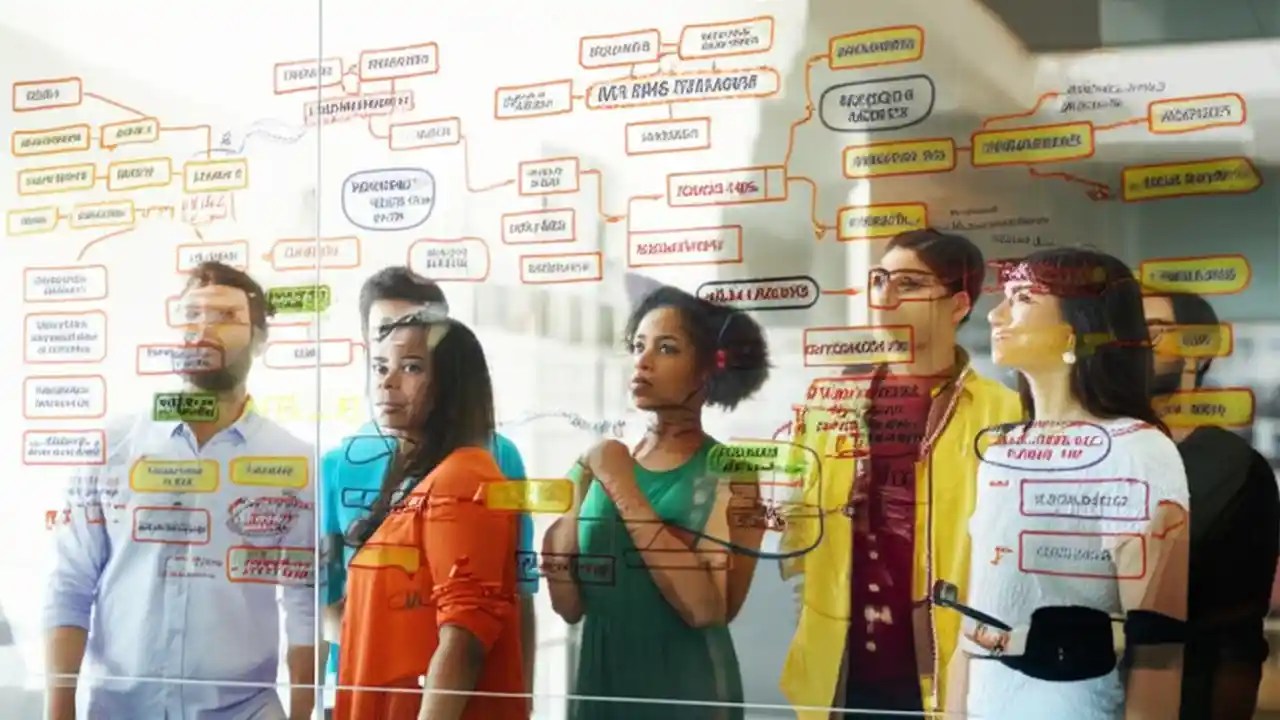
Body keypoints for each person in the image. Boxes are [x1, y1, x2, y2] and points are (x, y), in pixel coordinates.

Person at [44, 261, 317, 719]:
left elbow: (303, 602)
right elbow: (71, 584)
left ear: (260, 340)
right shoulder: (113, 448)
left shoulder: (295, 463)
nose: (204, 328)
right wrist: (58, 711)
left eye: (226, 316)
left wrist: (304, 714)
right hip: (119, 710)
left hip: (244, 711)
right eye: (191, 315)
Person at [779, 228, 1023, 719]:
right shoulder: (829, 402)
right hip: (840, 674)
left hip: (953, 676)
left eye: (908, 284)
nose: (885, 298)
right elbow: (796, 533)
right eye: (879, 280)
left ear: (958, 305)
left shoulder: (1006, 415)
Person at [952, 248, 1190, 719]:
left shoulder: (1137, 452)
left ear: (1074, 327)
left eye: (1021, 298)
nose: (996, 315)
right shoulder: (1001, 454)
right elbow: (978, 610)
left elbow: (1158, 647)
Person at [545, 285, 769, 719]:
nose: (643, 361)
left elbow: (708, 608)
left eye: (666, 348)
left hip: (689, 689)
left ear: (707, 372)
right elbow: (568, 605)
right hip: (601, 681)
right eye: (638, 346)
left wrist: (622, 488)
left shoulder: (732, 470)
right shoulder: (596, 463)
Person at [319, 267, 536, 704]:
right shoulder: (361, 465)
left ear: (449, 379)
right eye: (382, 364)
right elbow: (332, 599)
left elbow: (467, 634)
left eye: (412, 366)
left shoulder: (466, 475)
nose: (388, 380)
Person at [1143, 291, 1279, 719]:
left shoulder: (1233, 469)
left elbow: (1239, 640)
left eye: (1153, 330)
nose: (1133, 342)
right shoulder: (1092, 450)